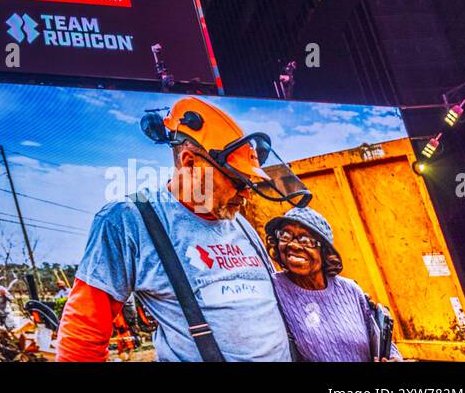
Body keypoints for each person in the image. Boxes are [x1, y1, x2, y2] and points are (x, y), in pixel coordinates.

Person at [55, 97, 312, 362]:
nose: (246, 194)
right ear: (189, 162)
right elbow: (82, 334)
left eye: (249, 182)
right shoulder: (130, 221)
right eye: (237, 180)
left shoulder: (240, 225)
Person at [264, 207, 402, 362]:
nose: (293, 245)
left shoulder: (350, 290)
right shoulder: (270, 289)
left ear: (325, 251)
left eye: (306, 240)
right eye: (285, 235)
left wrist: (393, 357)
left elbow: (380, 339)